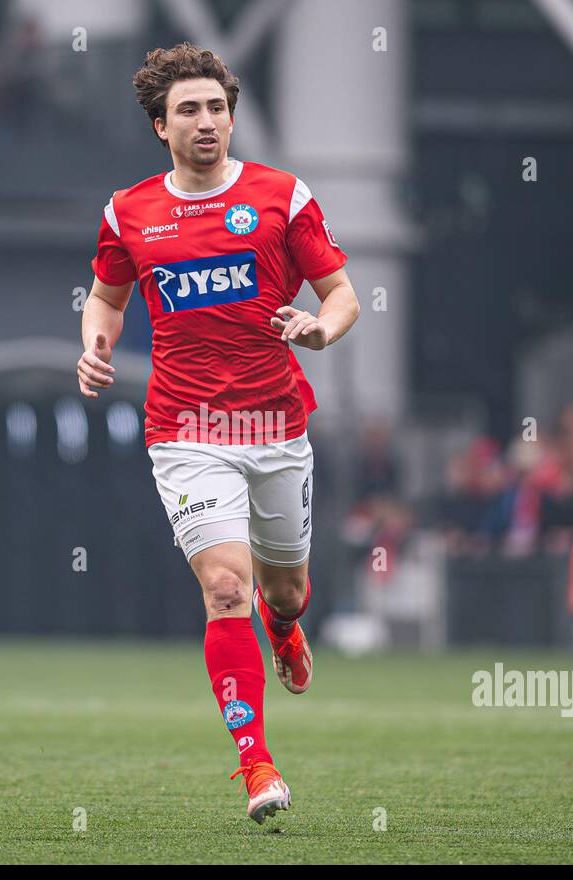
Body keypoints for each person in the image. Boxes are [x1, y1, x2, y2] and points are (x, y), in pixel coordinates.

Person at [79, 44, 360, 823]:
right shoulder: (128, 210)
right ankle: (257, 764)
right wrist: (95, 344)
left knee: (284, 588)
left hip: (276, 424)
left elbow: (343, 294)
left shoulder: (280, 196)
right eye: (190, 111)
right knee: (224, 588)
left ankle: (287, 625)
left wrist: (319, 326)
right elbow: (106, 298)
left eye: (217, 108)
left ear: (231, 115)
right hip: (186, 427)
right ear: (160, 128)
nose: (207, 122)